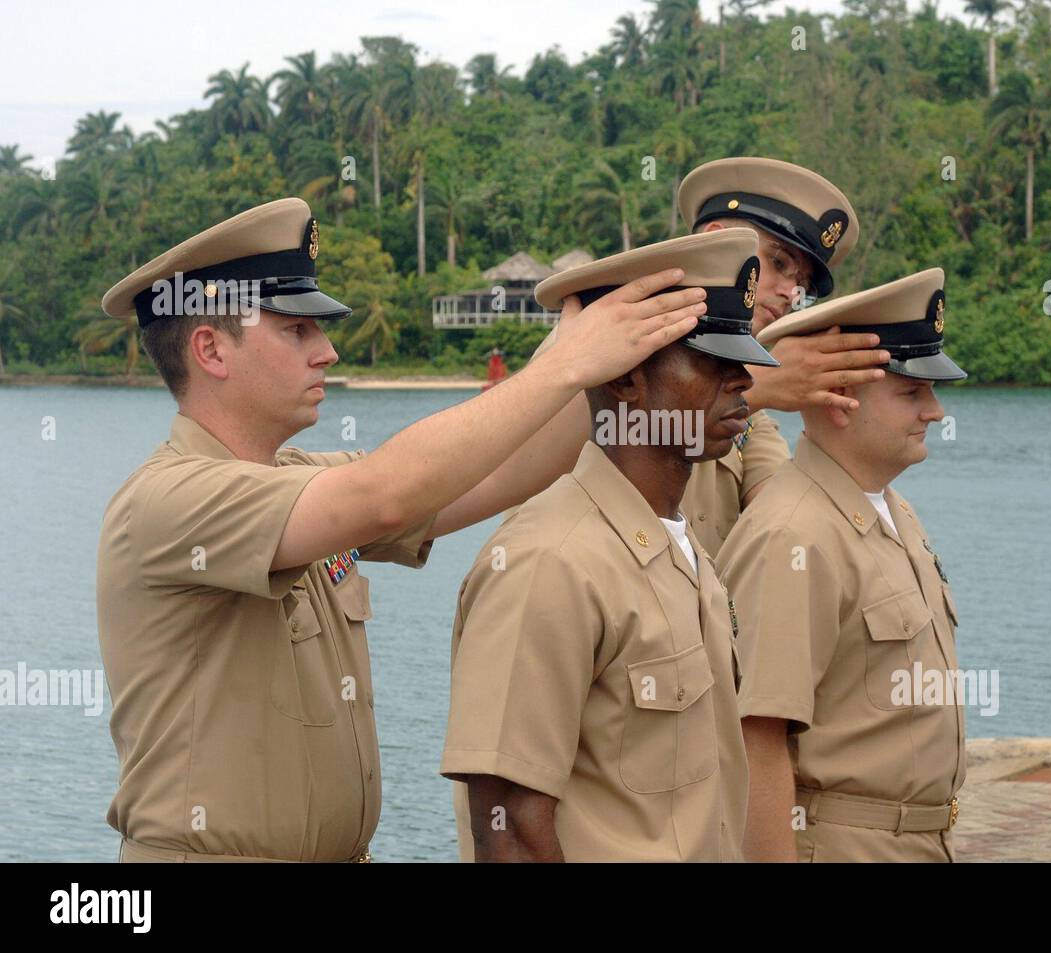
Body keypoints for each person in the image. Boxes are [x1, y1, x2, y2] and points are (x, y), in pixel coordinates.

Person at [96, 197, 706, 862]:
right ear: (211, 348)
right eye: (296, 331)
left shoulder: (297, 481)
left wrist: (610, 351)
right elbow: (388, 493)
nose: (326, 352)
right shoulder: (168, 499)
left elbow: (505, 470)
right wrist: (563, 366)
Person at [440, 228, 775, 861]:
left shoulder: (679, 546)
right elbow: (508, 826)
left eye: (743, 358)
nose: (744, 382)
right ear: (623, 379)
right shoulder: (549, 562)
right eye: (712, 360)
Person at [488, 157, 892, 556]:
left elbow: (781, 522)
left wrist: (839, 415)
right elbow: (571, 441)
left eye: (800, 282)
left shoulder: (745, 396)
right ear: (714, 239)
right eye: (779, 263)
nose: (791, 292)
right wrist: (767, 384)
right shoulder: (603, 337)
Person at [716, 268, 967, 862]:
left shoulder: (890, 511)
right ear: (838, 401)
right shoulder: (792, 535)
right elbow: (756, 743)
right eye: (911, 392)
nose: (933, 411)